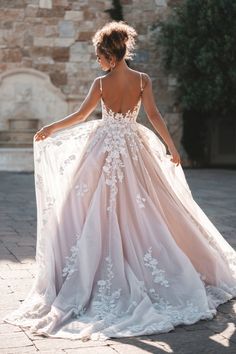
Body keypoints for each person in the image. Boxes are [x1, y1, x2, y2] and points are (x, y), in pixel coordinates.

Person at [3, 21, 236, 342]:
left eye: (98, 57)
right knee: (151, 207)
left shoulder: (101, 83)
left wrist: (52, 128)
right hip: (134, 146)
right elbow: (153, 116)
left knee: (89, 206)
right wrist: (171, 146)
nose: (97, 62)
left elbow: (81, 116)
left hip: (103, 149)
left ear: (109, 56)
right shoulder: (142, 80)